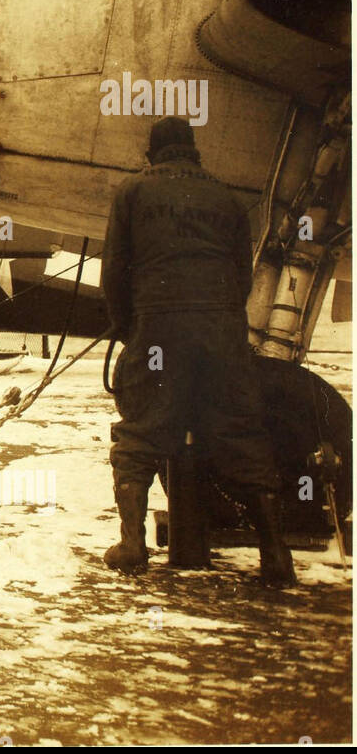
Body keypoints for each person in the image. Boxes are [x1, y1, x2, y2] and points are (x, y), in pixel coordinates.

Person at [101, 116, 295, 587]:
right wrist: (223, 323)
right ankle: (275, 552)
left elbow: (114, 273)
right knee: (241, 431)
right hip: (220, 328)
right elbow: (243, 277)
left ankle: (132, 545)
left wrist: (133, 331)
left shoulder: (132, 192)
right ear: (195, 152)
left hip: (159, 326)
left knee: (142, 432)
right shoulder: (228, 199)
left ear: (153, 153)